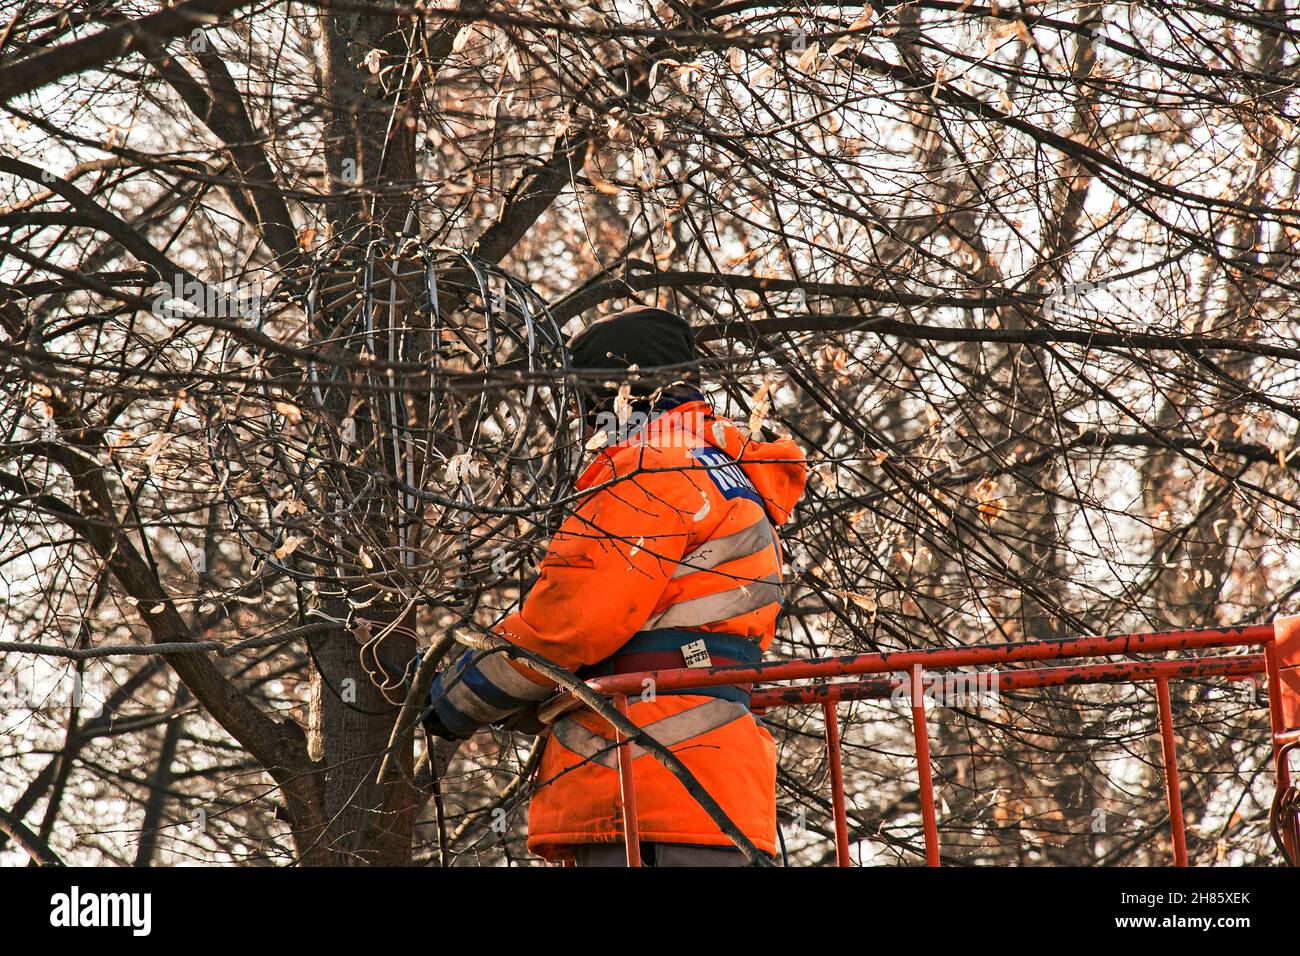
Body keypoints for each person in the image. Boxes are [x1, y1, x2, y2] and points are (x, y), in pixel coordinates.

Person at [424, 307, 807, 866]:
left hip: (645, 783)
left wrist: (459, 694)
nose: (584, 426)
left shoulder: (650, 467)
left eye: (587, 404)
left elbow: (574, 621)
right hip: (713, 786)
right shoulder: (723, 469)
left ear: (619, 396)